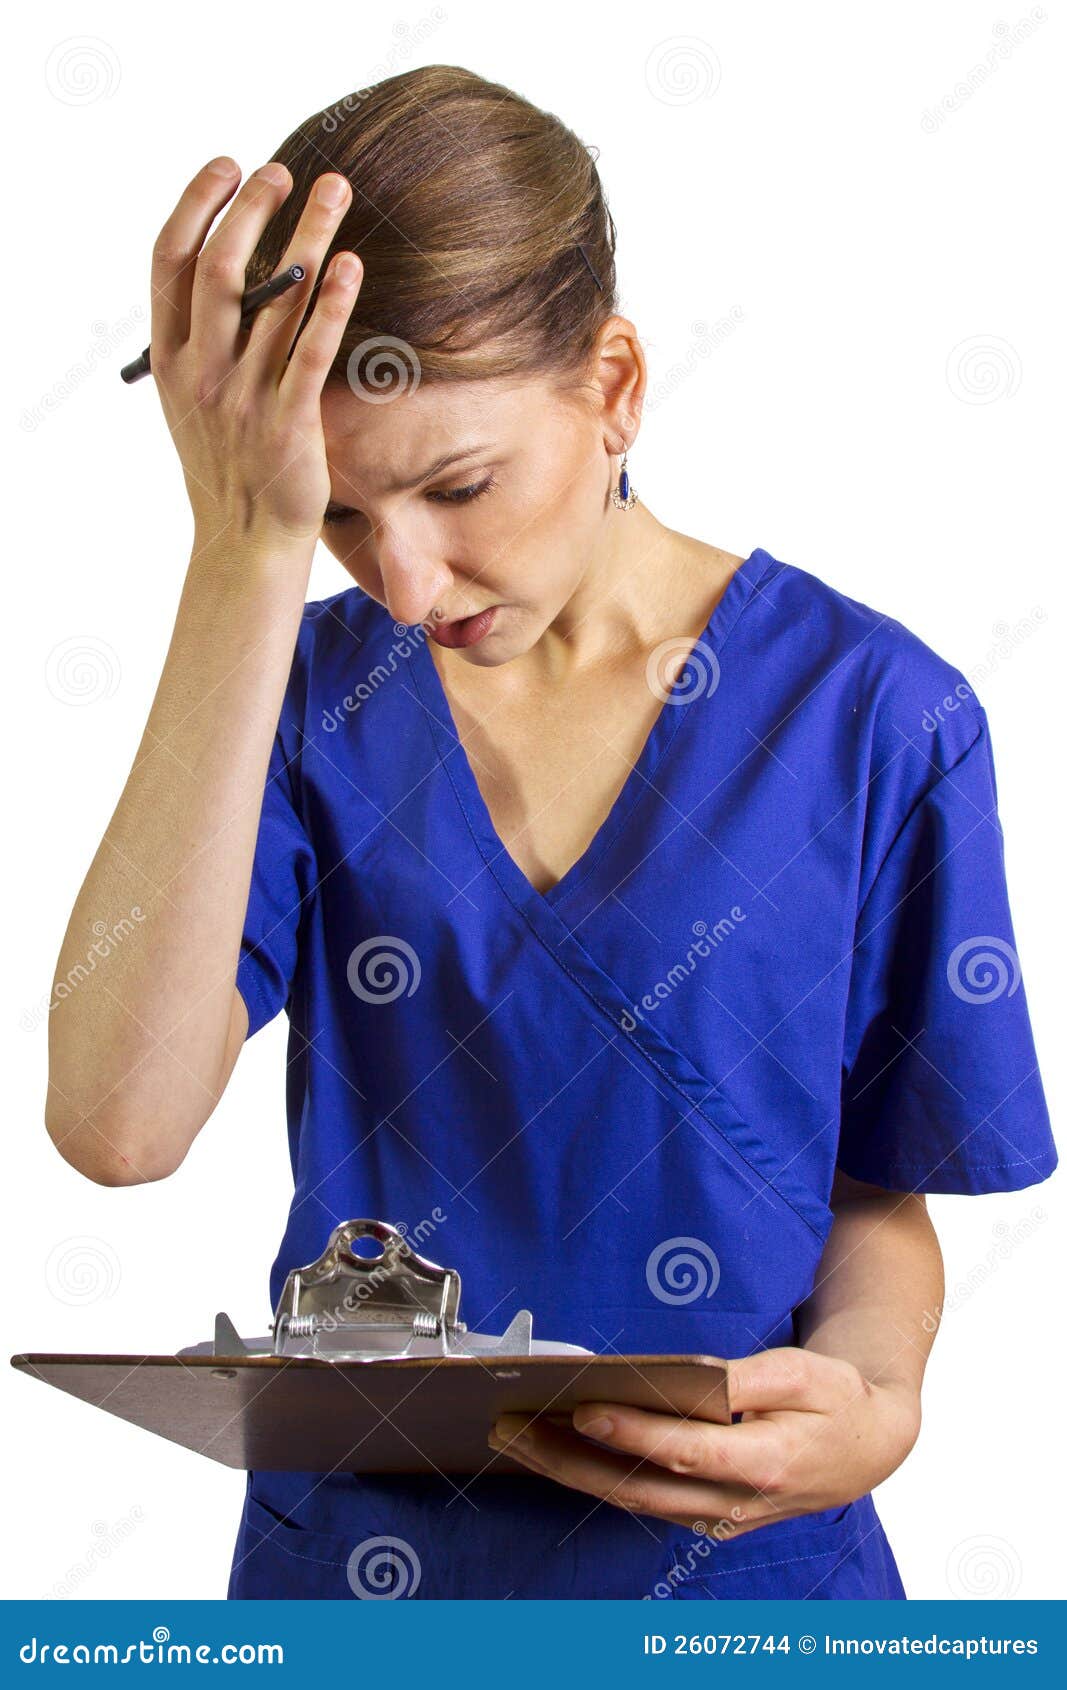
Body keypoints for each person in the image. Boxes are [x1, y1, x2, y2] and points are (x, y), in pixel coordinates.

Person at [45, 65, 1056, 1601]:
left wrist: (878, 1400)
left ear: (619, 387)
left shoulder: (877, 716)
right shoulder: (300, 699)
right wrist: (239, 561)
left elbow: (875, 1190)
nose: (400, 580)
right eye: (334, 514)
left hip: (736, 1589)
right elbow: (116, 1125)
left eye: (459, 486)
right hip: (366, 1598)